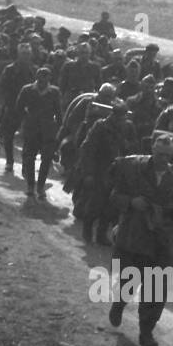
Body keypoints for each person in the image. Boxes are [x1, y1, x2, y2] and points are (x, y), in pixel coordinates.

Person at [107, 132, 173, 346]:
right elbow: (114, 196)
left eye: (167, 155)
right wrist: (132, 202)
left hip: (161, 239)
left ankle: (146, 332)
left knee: (156, 289)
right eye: (159, 154)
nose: (163, 159)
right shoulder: (134, 168)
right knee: (129, 280)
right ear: (152, 149)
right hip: (134, 234)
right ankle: (119, 304)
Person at [75, 101, 135, 244]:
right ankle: (87, 231)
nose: (121, 120)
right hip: (100, 170)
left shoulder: (127, 128)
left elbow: (134, 147)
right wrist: (88, 172)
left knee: (111, 207)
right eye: (118, 116)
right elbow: (88, 148)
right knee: (96, 204)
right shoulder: (100, 126)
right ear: (112, 115)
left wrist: (128, 146)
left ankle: (101, 234)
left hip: (118, 171)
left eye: (123, 117)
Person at [15, 67, 63, 199]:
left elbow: (59, 112)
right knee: (30, 157)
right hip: (32, 129)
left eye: (45, 78)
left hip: (48, 130)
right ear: (36, 77)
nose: (42, 81)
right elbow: (19, 107)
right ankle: (30, 185)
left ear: (49, 79)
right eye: (40, 78)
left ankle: (40, 186)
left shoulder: (54, 92)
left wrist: (59, 130)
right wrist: (26, 120)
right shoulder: (27, 90)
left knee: (46, 160)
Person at [0, 43, 37, 173]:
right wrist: (3, 103)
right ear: (19, 54)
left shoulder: (34, 71)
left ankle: (26, 163)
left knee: (29, 139)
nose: (25, 57)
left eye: (28, 54)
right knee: (9, 135)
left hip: (29, 108)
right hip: (13, 106)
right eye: (23, 54)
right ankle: (9, 161)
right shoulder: (10, 69)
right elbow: (1, 86)